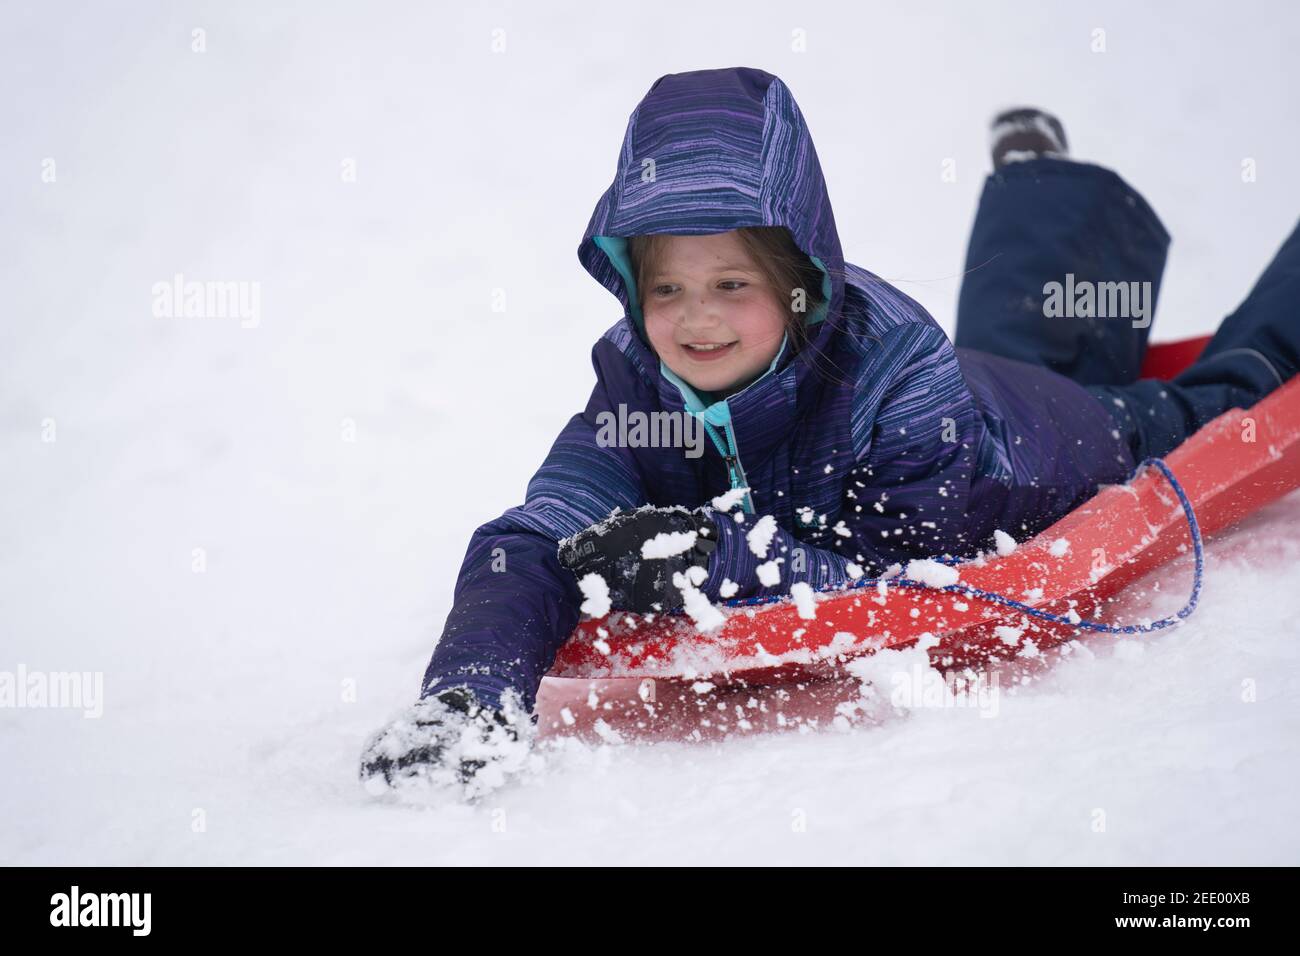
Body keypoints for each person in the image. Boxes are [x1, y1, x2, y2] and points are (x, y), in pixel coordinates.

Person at [360, 67, 1299, 795]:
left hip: (1041, 441)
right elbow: (535, 534)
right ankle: (1039, 182)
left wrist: (706, 558)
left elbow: (900, 575)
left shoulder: (898, 377)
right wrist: (469, 695)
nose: (696, 321)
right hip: (984, 384)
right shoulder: (638, 384)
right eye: (666, 289)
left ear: (800, 278)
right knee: (1024, 343)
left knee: (1209, 400)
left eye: (732, 284)